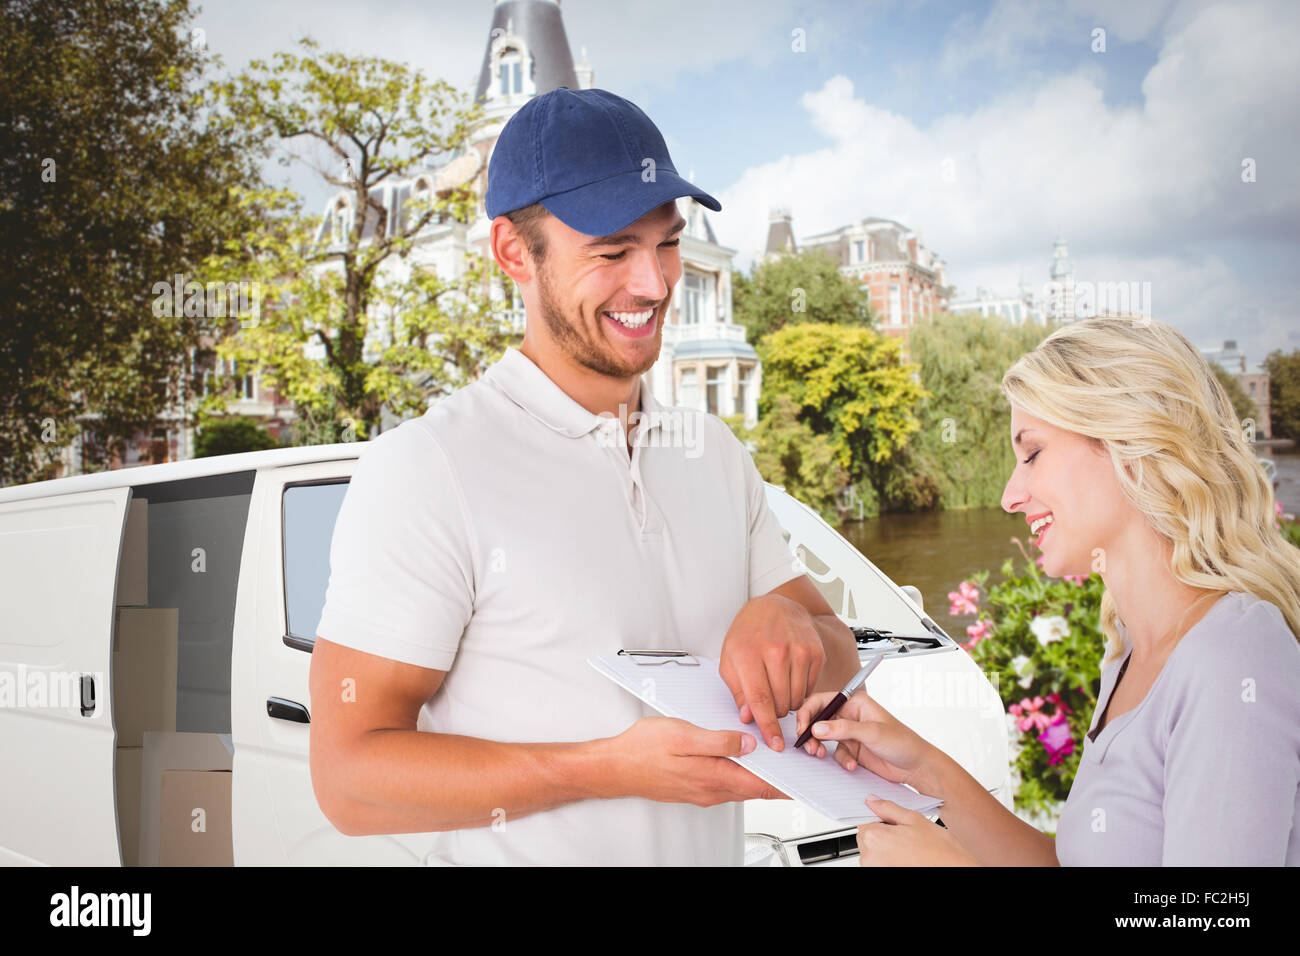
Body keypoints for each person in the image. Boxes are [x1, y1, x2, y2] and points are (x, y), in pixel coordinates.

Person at [308, 87, 860, 866]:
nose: (655, 284)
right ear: (512, 253)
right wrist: (601, 769)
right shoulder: (428, 469)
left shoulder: (711, 450)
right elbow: (348, 779)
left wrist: (793, 628)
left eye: (665, 243)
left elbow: (840, 645)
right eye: (612, 252)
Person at [796, 316, 1300, 865]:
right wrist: (923, 767)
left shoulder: (1231, 658)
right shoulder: (1132, 654)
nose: (1011, 496)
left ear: (1130, 443)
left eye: (1032, 453)